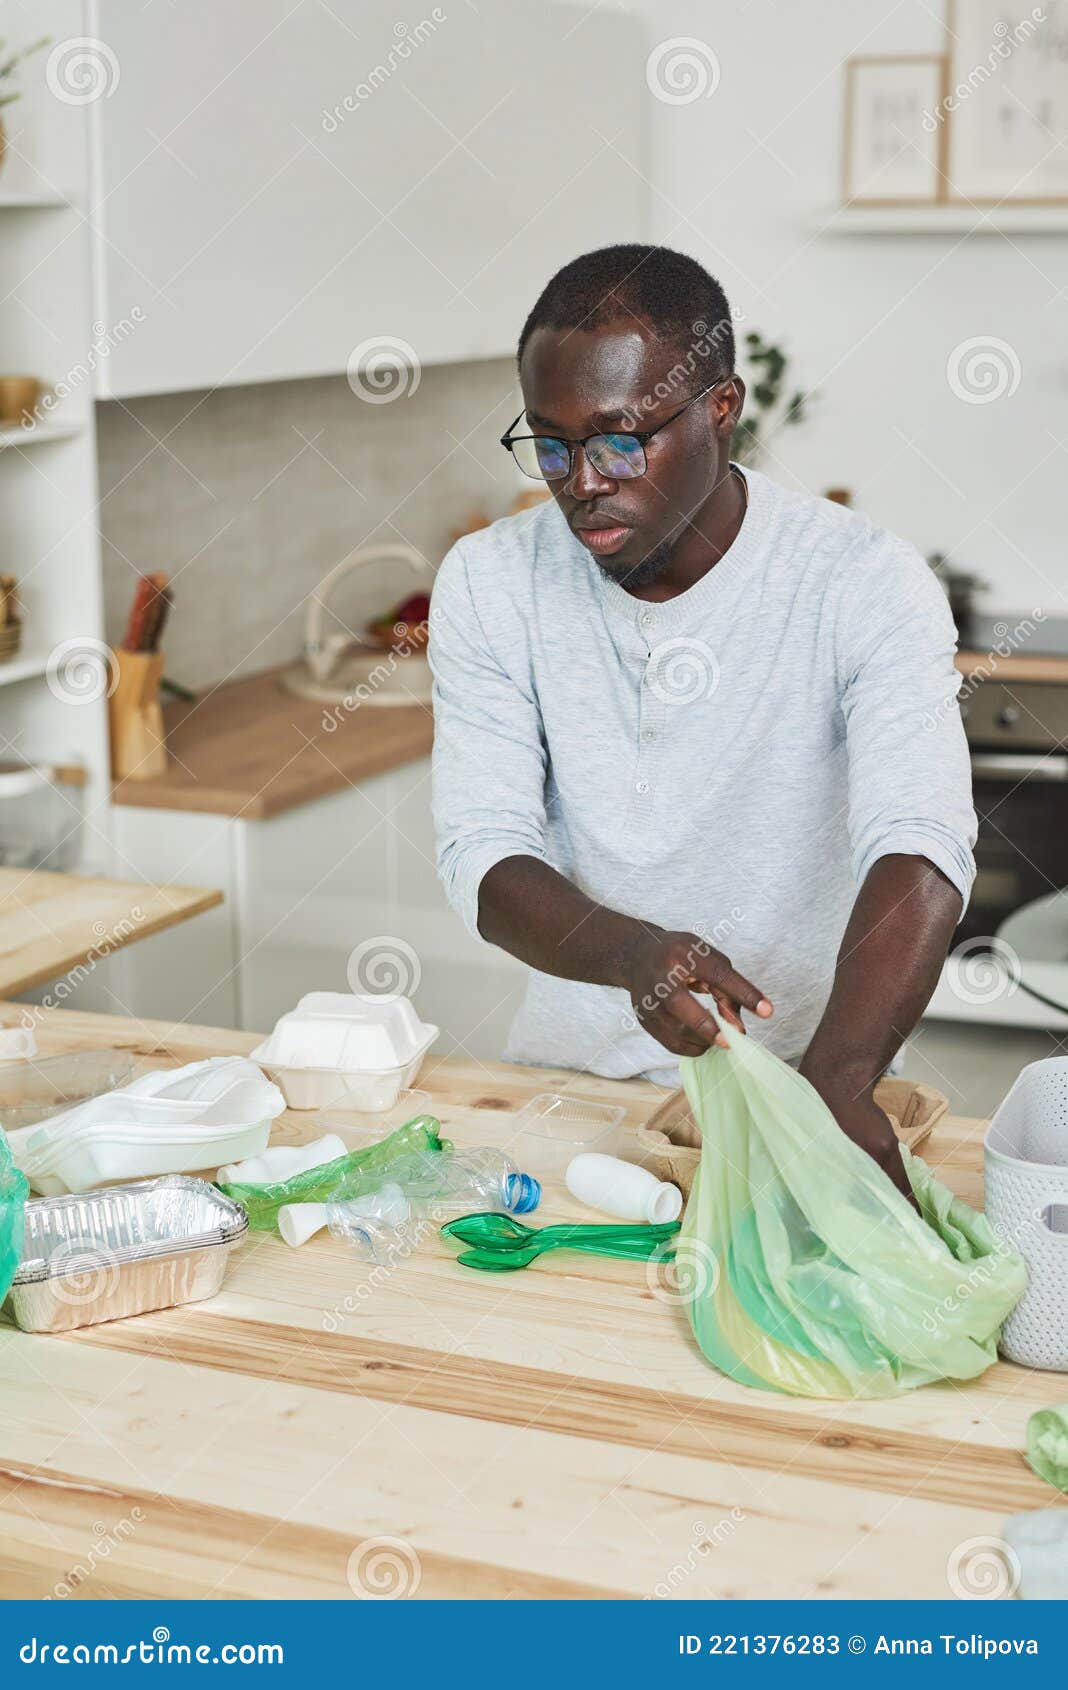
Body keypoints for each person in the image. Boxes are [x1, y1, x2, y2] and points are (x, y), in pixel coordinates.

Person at [428, 244, 976, 1198]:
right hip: (571, 1103)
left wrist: (841, 1082)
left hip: (801, 1090)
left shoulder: (862, 581)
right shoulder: (489, 581)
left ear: (720, 408)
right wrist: (634, 955)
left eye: (619, 441)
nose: (582, 481)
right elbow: (484, 857)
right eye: (549, 444)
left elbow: (920, 843)